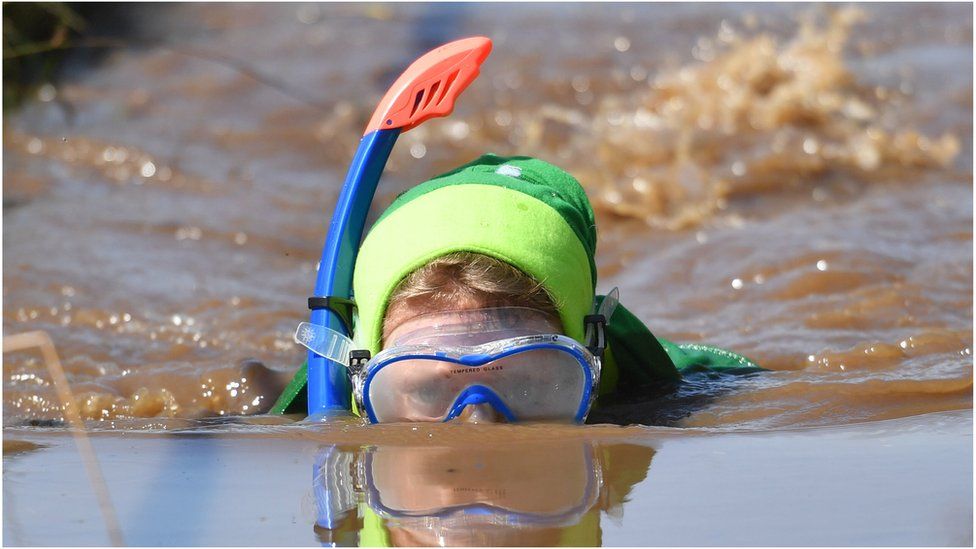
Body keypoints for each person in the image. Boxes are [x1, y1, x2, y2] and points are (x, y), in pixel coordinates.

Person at [271, 154, 762, 422]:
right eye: (425, 388)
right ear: (361, 368)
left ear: (590, 351)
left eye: (527, 383)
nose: (479, 424)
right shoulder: (319, 396)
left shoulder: (685, 385)